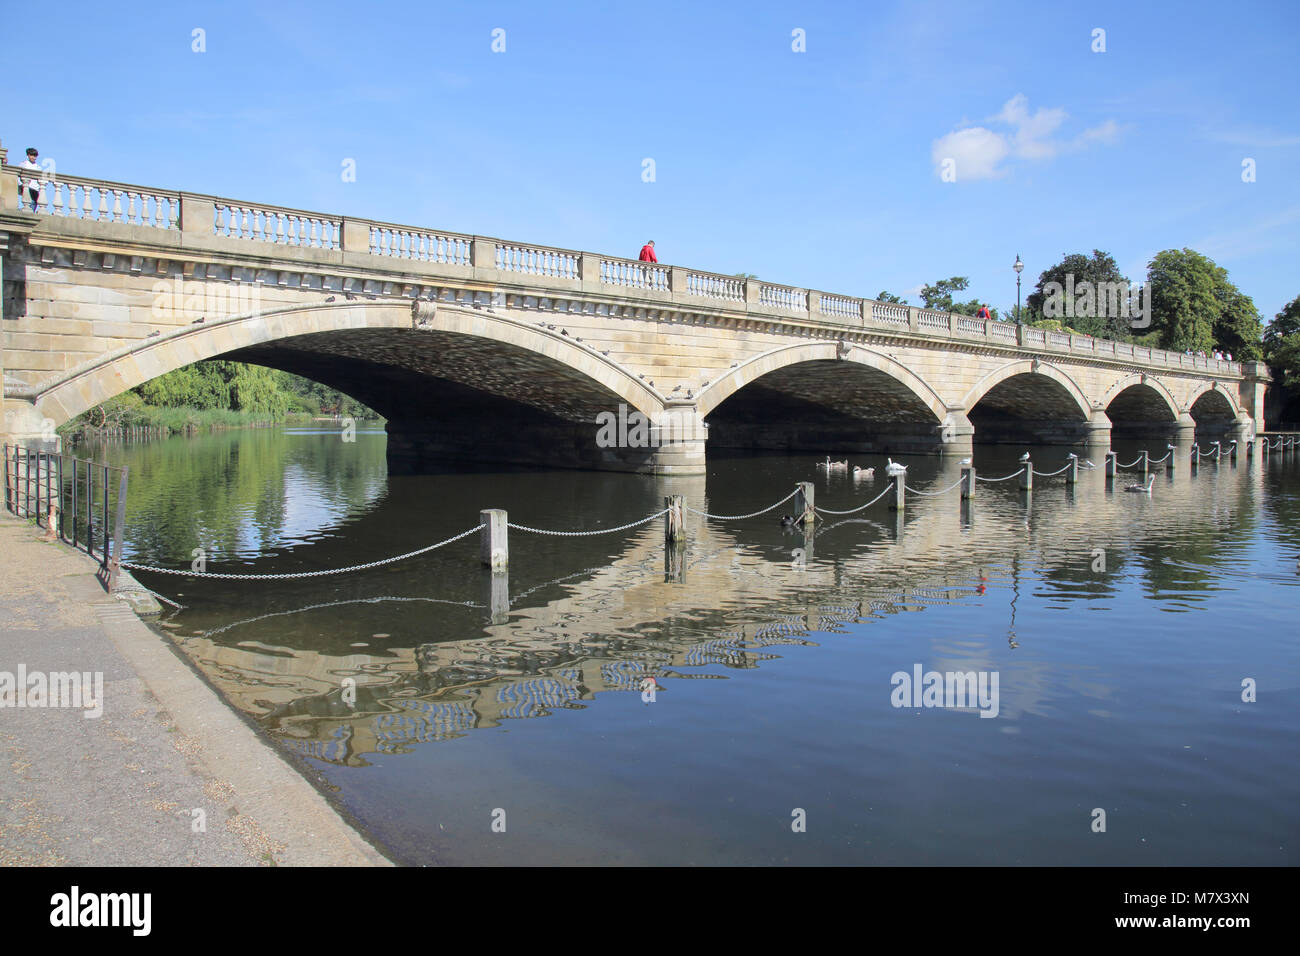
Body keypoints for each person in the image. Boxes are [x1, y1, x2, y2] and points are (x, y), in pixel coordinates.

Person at [19, 147, 42, 211]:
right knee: (30, 202)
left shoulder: (38, 167)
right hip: (28, 186)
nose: (33, 157)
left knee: (35, 202)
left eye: (35, 156)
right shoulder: (24, 164)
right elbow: (19, 174)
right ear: (28, 155)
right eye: (32, 155)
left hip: (35, 188)